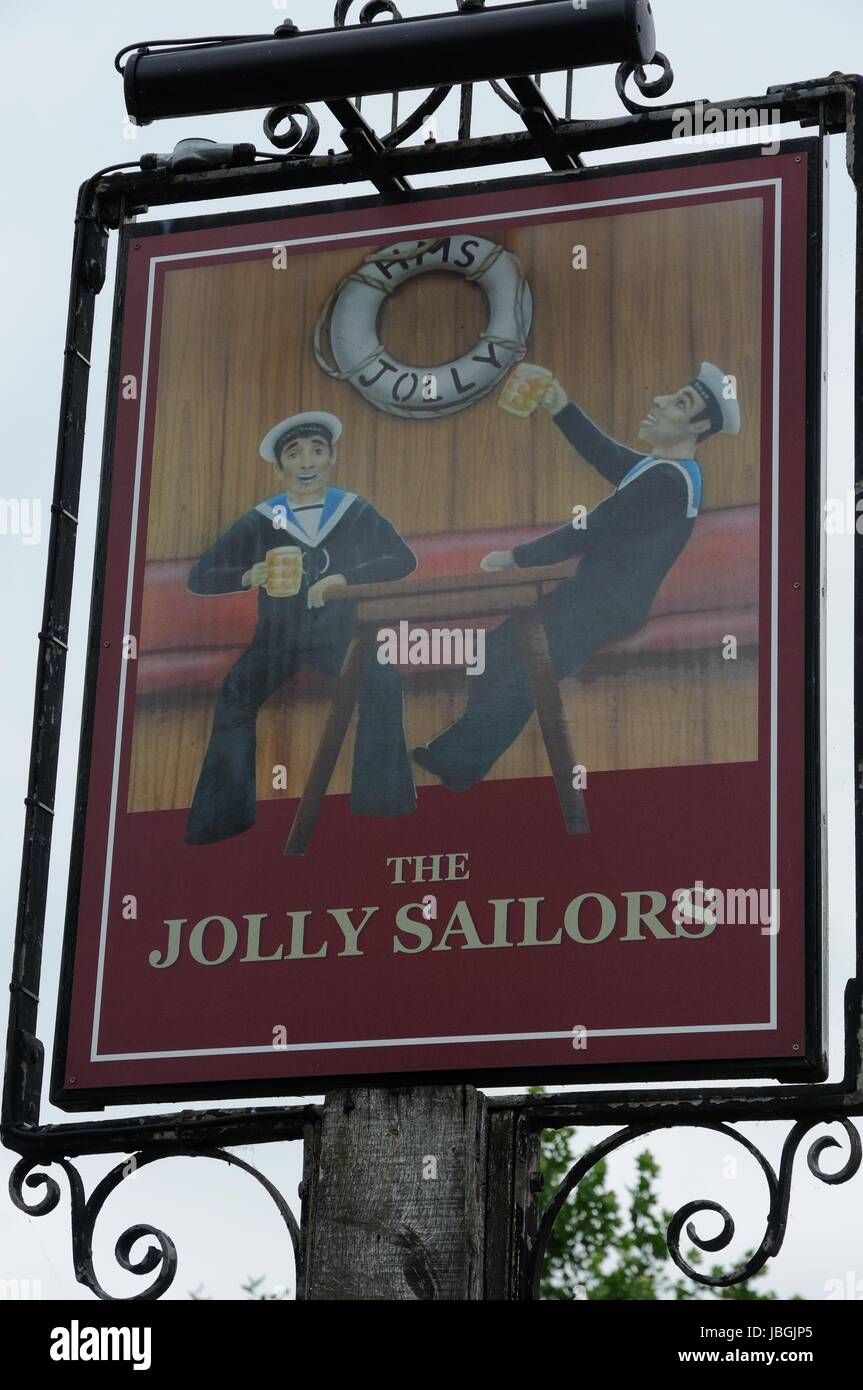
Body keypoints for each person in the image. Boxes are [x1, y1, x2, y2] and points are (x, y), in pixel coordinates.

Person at [413, 362, 741, 792]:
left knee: (520, 668)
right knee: (496, 653)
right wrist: (560, 406)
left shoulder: (667, 480)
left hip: (605, 606)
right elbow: (603, 452)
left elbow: (590, 528)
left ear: (698, 427)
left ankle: (461, 764)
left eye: (680, 402)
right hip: (594, 597)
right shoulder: (666, 471)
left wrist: (515, 557)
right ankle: (460, 758)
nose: (659, 401)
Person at [186, 411, 417, 844]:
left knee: (384, 681)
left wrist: (346, 577)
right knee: (235, 694)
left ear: (331, 457)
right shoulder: (262, 519)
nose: (307, 461)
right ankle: (221, 820)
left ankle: (383, 807)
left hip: (344, 636)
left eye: (317, 450)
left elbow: (402, 559)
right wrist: (247, 575)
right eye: (294, 454)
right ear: (281, 467)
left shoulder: (353, 510)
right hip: (277, 642)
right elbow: (200, 577)